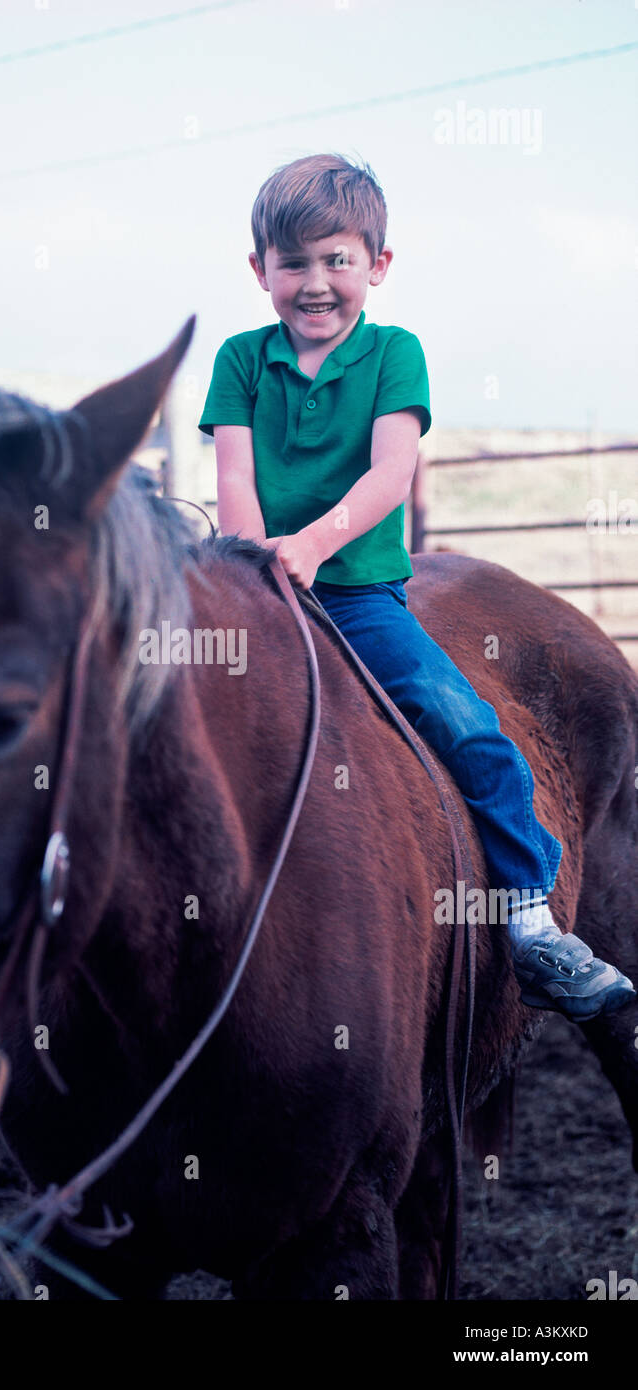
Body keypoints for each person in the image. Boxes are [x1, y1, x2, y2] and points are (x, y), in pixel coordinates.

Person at [198, 151, 634, 1021]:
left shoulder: (393, 355)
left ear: (376, 266)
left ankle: (527, 920)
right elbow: (234, 478)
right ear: (260, 272)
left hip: (356, 596)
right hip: (260, 594)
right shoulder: (240, 359)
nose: (315, 283)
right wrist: (252, 562)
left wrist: (315, 545)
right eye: (293, 264)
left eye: (337, 261)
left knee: (469, 729)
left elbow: (390, 473)